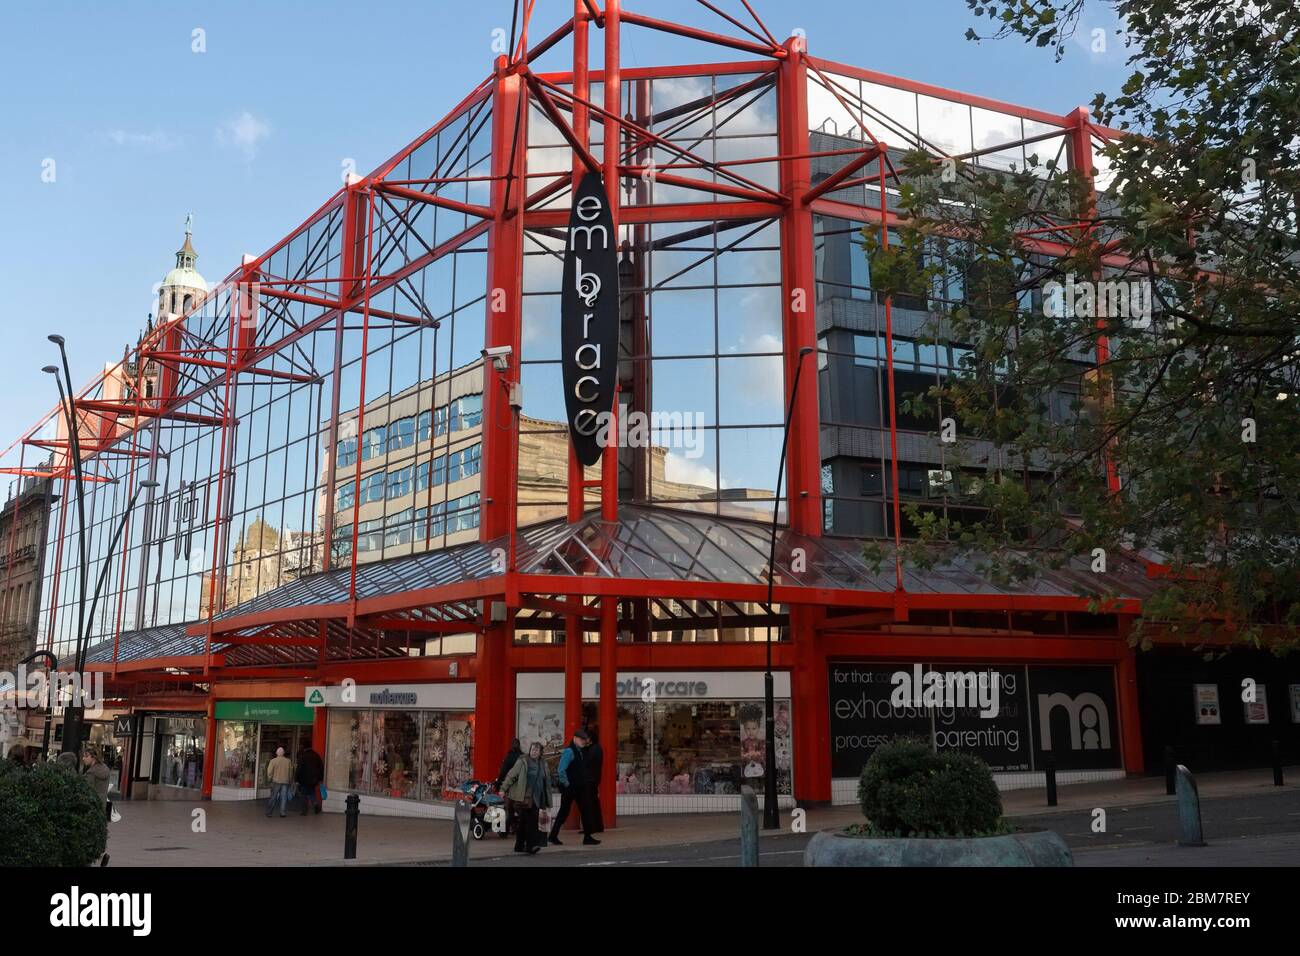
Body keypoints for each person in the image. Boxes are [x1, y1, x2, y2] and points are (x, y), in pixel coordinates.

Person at [549, 728, 599, 846]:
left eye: (585, 740)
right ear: (575, 739)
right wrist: (567, 784)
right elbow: (561, 770)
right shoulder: (569, 751)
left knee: (586, 810)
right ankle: (553, 836)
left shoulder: (579, 751)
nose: (584, 742)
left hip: (579, 787)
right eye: (581, 739)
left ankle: (587, 836)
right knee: (564, 812)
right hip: (571, 788)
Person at [501, 740, 551, 854]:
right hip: (525, 796)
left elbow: (546, 780)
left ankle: (519, 846)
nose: (534, 752)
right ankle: (530, 846)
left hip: (538, 797)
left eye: (537, 750)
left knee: (523, 821)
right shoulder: (523, 761)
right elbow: (511, 775)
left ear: (540, 752)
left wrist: (548, 796)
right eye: (532, 749)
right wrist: (503, 789)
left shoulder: (543, 763)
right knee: (531, 822)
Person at [584, 727, 605, 834]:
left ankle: (592, 827)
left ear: (590, 738)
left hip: (590, 779)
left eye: (586, 738)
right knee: (594, 803)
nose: (584, 740)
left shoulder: (593, 749)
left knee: (590, 804)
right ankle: (598, 826)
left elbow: (587, 763)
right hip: (594, 779)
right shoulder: (597, 748)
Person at [265, 747, 294, 818]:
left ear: (277, 753)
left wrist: (269, 779)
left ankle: (269, 812)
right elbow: (290, 772)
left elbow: (269, 772)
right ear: (283, 753)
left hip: (276, 781)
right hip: (285, 781)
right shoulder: (288, 761)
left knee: (273, 797)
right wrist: (289, 780)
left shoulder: (273, 761)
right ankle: (282, 812)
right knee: (284, 798)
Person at [296, 743, 325, 815]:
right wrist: (320, 778)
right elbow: (321, 768)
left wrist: (296, 779)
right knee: (312, 792)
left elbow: (299, 769)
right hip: (314, 779)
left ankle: (304, 810)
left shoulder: (303, 756)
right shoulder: (316, 755)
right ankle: (315, 804)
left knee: (303, 794)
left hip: (304, 779)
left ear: (304, 748)